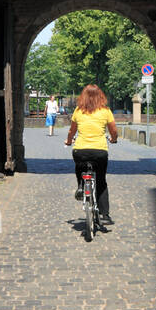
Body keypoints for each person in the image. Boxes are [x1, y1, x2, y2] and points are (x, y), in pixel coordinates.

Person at [64, 83, 118, 224]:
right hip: (99, 151)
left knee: (79, 167)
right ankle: (105, 215)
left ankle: (81, 186)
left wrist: (69, 141)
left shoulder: (78, 111)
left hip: (80, 150)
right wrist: (114, 139)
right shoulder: (105, 111)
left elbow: (72, 131)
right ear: (101, 96)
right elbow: (113, 130)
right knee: (101, 181)